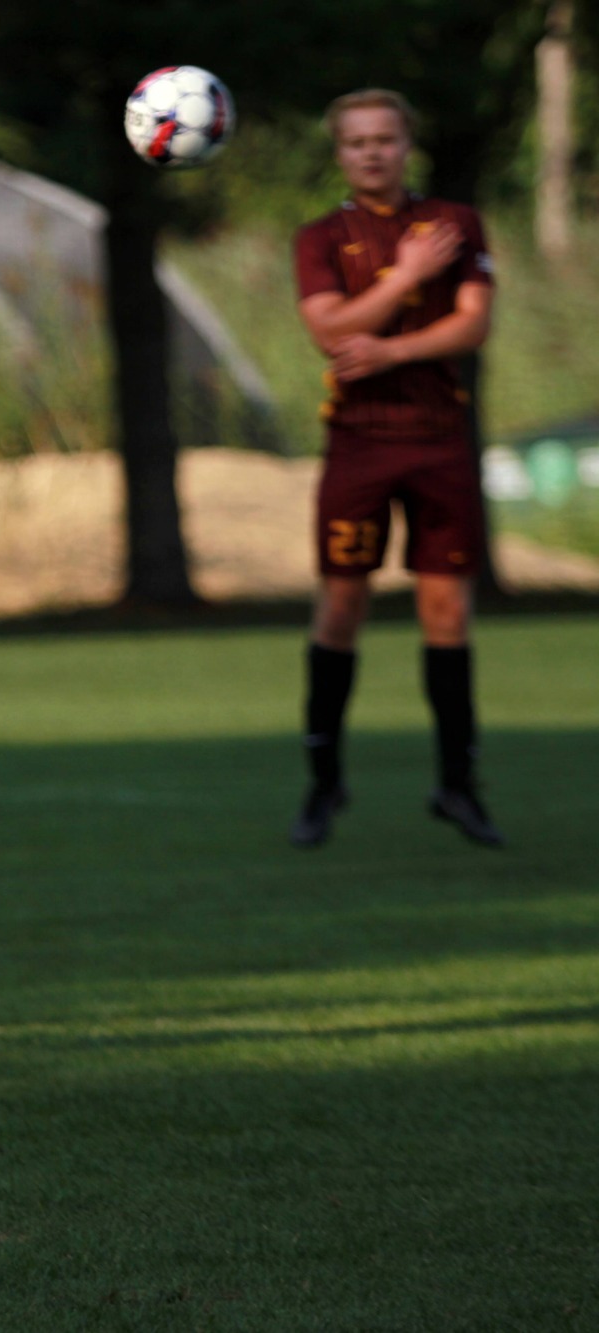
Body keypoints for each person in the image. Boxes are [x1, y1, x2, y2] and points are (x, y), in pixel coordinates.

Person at [289, 88, 503, 848]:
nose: (372, 151)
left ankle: (457, 784)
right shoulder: (321, 237)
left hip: (440, 440)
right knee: (342, 608)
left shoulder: (455, 223)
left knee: (447, 613)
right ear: (340, 152)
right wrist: (407, 277)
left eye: (385, 138)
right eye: (357, 142)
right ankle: (323, 784)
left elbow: (473, 322)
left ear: (406, 145)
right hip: (359, 444)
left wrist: (393, 348)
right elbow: (330, 331)